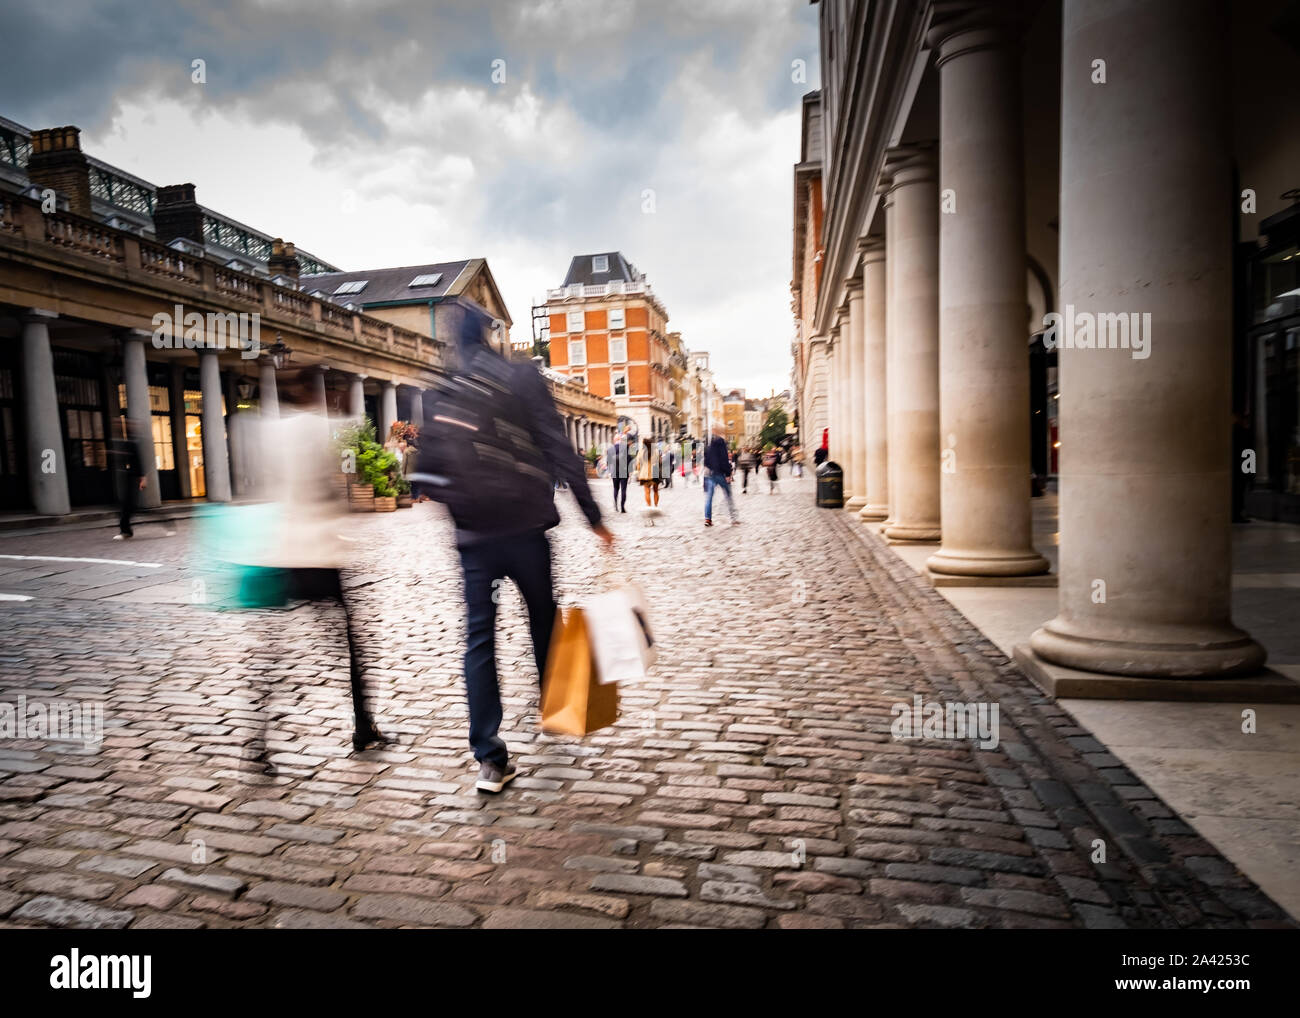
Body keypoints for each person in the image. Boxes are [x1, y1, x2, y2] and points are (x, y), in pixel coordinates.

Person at [417, 302, 614, 794]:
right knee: (543, 618)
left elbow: (425, 475)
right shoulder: (521, 377)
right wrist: (593, 517)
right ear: (491, 336)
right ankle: (556, 704)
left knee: (479, 639)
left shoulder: (443, 390)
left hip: (474, 539)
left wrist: (462, 510)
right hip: (526, 529)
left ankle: (489, 757)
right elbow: (558, 447)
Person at [225, 369, 388, 771]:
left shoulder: (264, 429)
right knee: (347, 646)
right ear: (312, 394)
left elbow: (258, 486)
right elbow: (330, 488)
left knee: (271, 653)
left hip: (278, 553)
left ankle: (255, 742)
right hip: (317, 554)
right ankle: (363, 726)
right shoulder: (318, 428)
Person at [110, 417, 173, 540]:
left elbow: (138, 461)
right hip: (128, 478)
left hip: (133, 479)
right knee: (127, 508)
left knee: (134, 508)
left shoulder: (134, 442)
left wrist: (142, 478)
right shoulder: (125, 441)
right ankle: (126, 531)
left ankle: (167, 524)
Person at [703, 427, 739, 526]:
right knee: (728, 495)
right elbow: (724, 458)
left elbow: (706, 460)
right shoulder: (721, 442)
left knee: (709, 497)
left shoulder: (709, 445)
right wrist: (728, 473)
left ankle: (708, 519)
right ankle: (734, 518)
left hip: (710, 474)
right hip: (719, 474)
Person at [608, 429, 633, 513]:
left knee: (615, 489)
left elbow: (609, 462)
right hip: (624, 471)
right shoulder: (626, 448)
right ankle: (622, 507)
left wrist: (609, 472)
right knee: (623, 489)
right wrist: (630, 472)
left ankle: (615, 505)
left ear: (614, 440)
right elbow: (630, 460)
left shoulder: (610, 449)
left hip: (614, 472)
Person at [637, 437, 662, 507]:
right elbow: (660, 462)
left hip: (644, 474)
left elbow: (638, 464)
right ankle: (656, 505)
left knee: (647, 491)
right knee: (656, 491)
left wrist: (639, 472)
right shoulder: (656, 451)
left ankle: (649, 506)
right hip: (655, 472)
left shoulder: (641, 452)